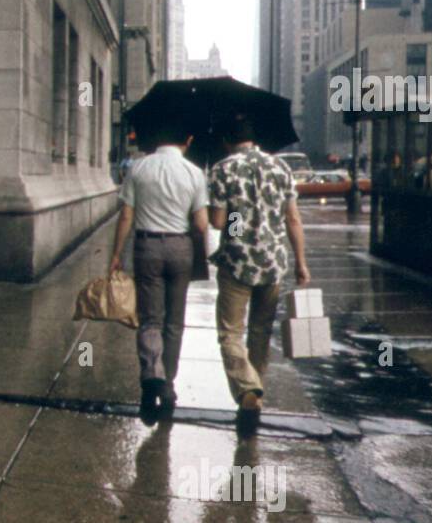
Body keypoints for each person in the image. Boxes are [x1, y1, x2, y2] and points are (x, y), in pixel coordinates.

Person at [207, 113, 311, 436]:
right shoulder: (281, 168)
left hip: (237, 262)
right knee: (261, 331)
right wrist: (300, 262)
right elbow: (292, 219)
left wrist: (240, 221)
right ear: (254, 139)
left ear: (228, 140)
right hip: (273, 262)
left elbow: (219, 222)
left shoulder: (222, 169)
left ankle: (248, 388)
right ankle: (254, 394)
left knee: (229, 333)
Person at [109, 115, 209, 425]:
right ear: (187, 141)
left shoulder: (138, 168)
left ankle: (151, 371)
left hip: (147, 246)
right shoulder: (194, 173)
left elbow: (126, 215)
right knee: (174, 322)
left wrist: (115, 255)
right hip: (181, 248)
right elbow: (202, 223)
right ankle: (167, 385)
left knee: (150, 318)